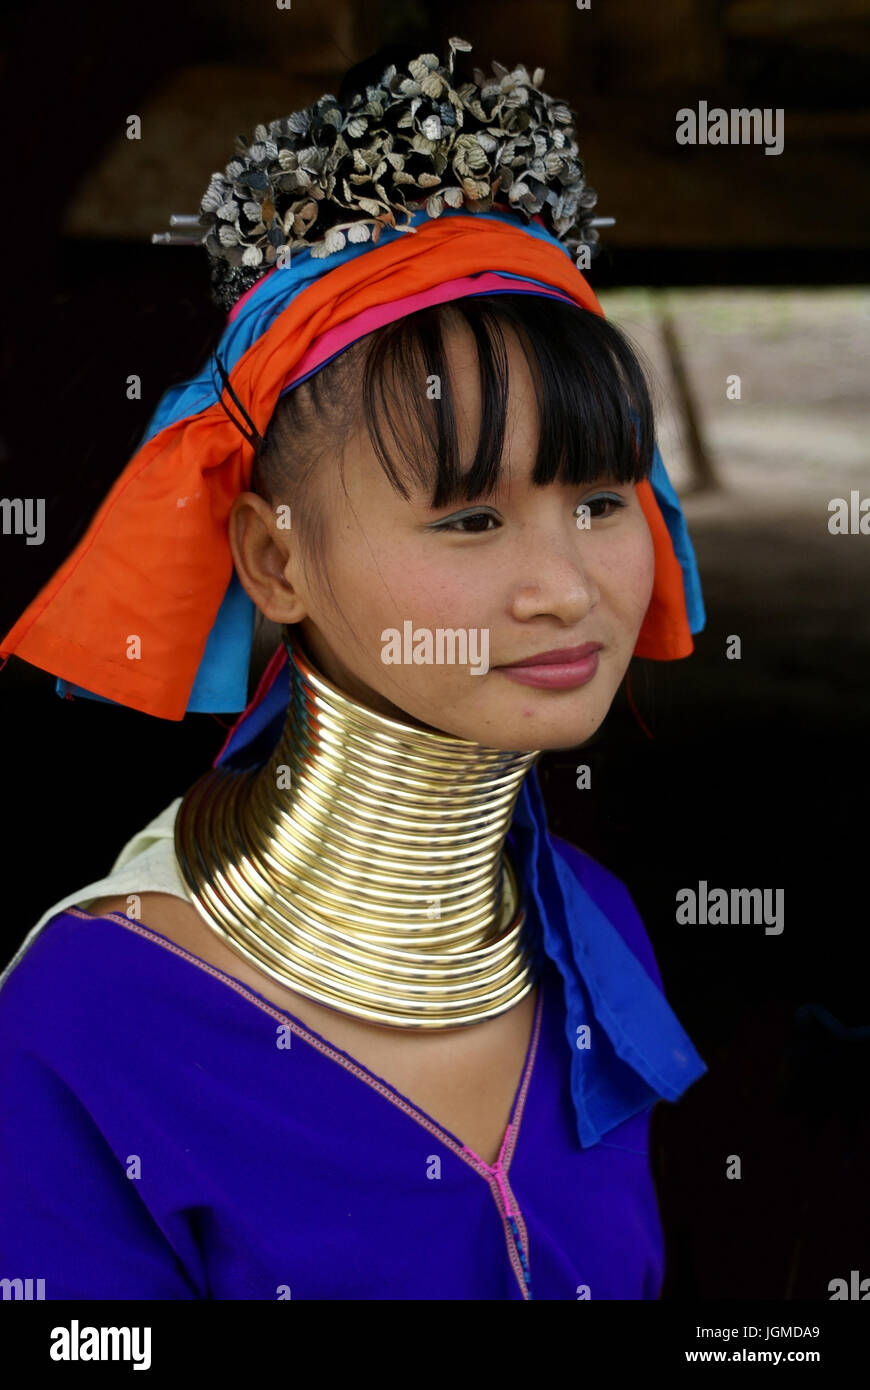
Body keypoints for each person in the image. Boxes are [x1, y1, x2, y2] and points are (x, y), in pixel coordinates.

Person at [0, 37, 707, 1301]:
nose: (567, 586)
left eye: (600, 502)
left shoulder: (592, 933)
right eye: (471, 519)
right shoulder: (89, 1021)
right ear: (276, 563)